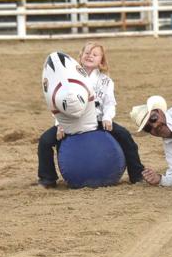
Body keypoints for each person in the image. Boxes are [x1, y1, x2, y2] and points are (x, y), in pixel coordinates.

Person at [37, 49, 145, 188]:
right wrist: (59, 125)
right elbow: (57, 104)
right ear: (80, 57)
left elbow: (110, 103)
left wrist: (107, 118)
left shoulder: (106, 81)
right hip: (70, 124)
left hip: (98, 121)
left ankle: (136, 174)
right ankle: (47, 178)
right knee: (45, 141)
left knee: (125, 136)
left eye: (95, 54)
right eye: (87, 53)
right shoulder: (67, 78)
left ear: (101, 61)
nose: (90, 56)